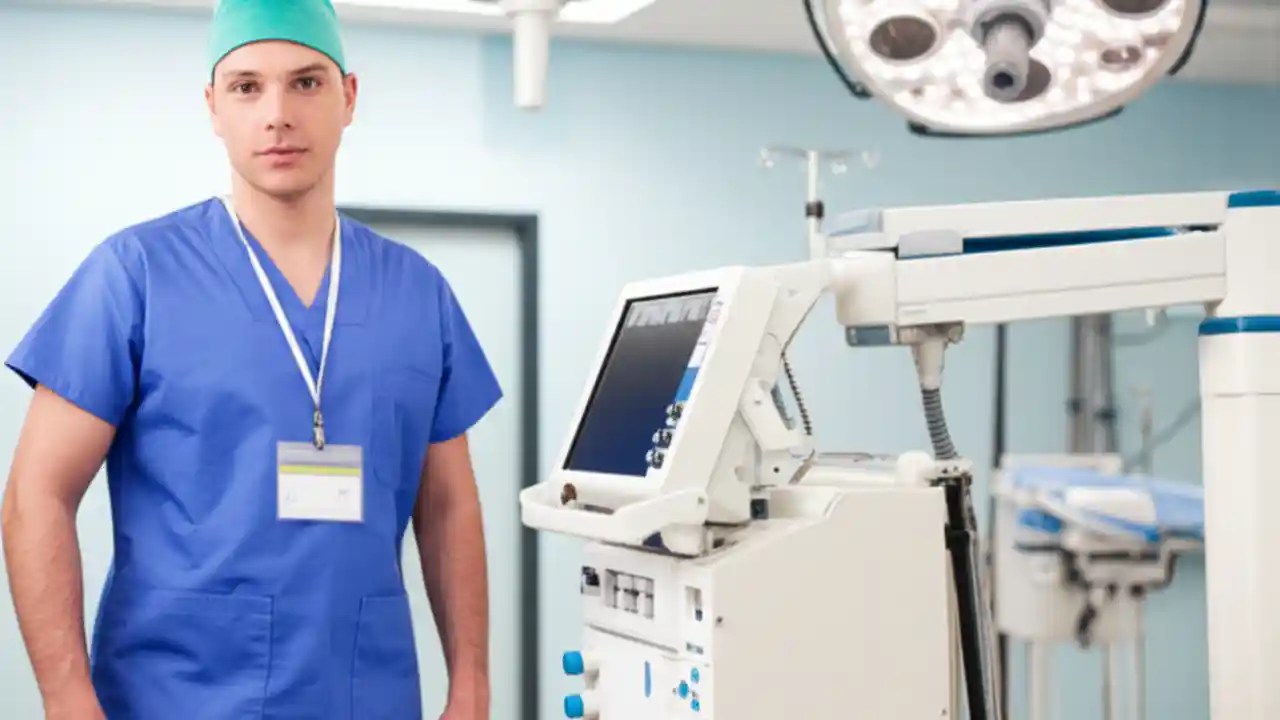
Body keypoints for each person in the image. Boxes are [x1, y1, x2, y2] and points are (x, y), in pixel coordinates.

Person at [0, 1, 501, 718]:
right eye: (246, 87)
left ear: (348, 97)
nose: (276, 114)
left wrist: (472, 687)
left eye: (305, 83)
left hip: (366, 695)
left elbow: (450, 505)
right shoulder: (134, 275)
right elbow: (35, 497)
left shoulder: (416, 292)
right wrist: (67, 700)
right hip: (171, 697)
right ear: (213, 106)